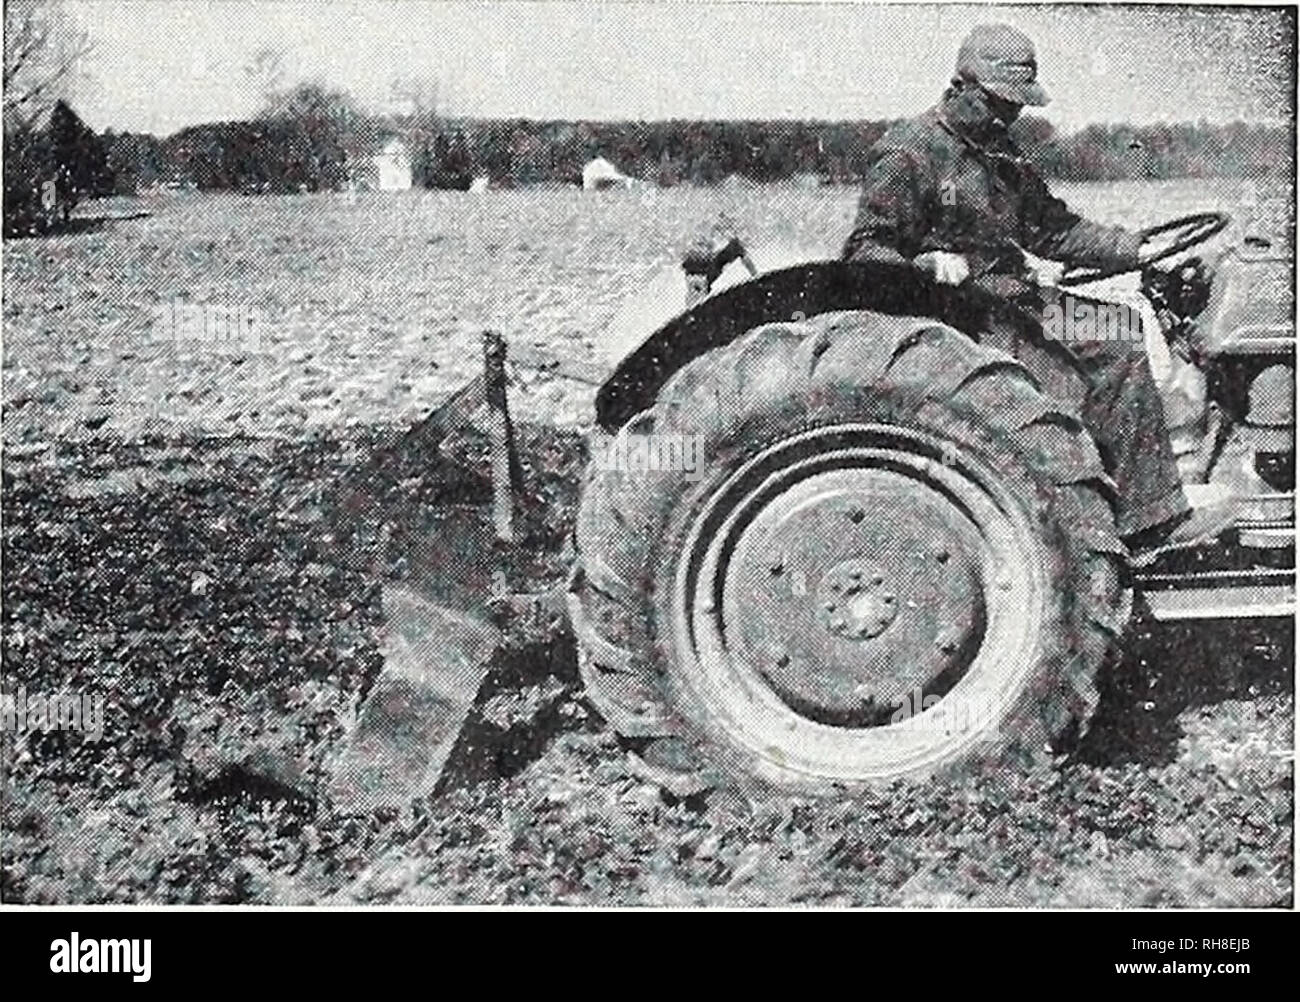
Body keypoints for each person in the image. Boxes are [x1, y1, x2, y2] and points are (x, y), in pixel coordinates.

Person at [841, 23, 1232, 550]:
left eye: (1017, 105)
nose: (1011, 115)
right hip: (962, 316)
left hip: (1012, 298)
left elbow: (1053, 228)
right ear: (962, 87)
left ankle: (1135, 495)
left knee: (1118, 328)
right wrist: (929, 263)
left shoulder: (1001, 154)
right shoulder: (909, 153)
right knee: (1096, 360)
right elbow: (864, 253)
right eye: (1001, 103)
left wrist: (1133, 248)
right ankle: (1143, 521)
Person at [681, 213, 759, 306]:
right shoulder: (700, 255)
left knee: (732, 250)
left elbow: (738, 250)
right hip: (700, 267)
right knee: (699, 278)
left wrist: (755, 276)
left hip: (703, 267)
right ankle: (696, 297)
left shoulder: (726, 246)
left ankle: (697, 296)